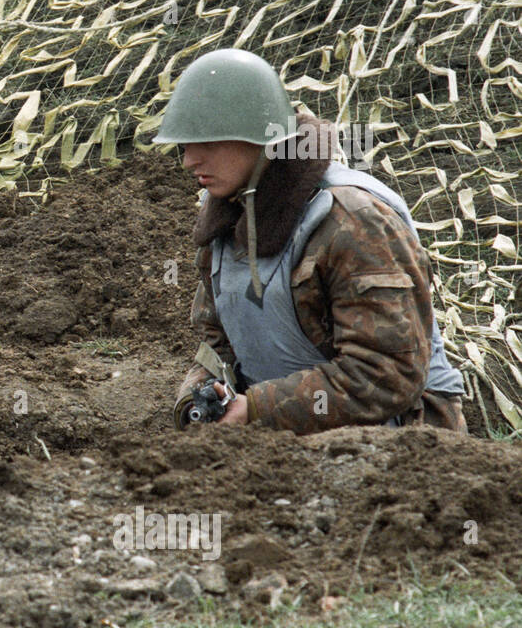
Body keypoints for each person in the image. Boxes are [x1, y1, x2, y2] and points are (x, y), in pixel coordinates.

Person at [159, 48, 466, 433]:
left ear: (260, 137)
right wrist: (200, 400)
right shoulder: (226, 217)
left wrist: (256, 408)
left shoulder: (354, 221)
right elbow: (218, 344)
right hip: (290, 438)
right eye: (183, 146)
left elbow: (387, 375)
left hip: (404, 445)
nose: (189, 161)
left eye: (207, 142)